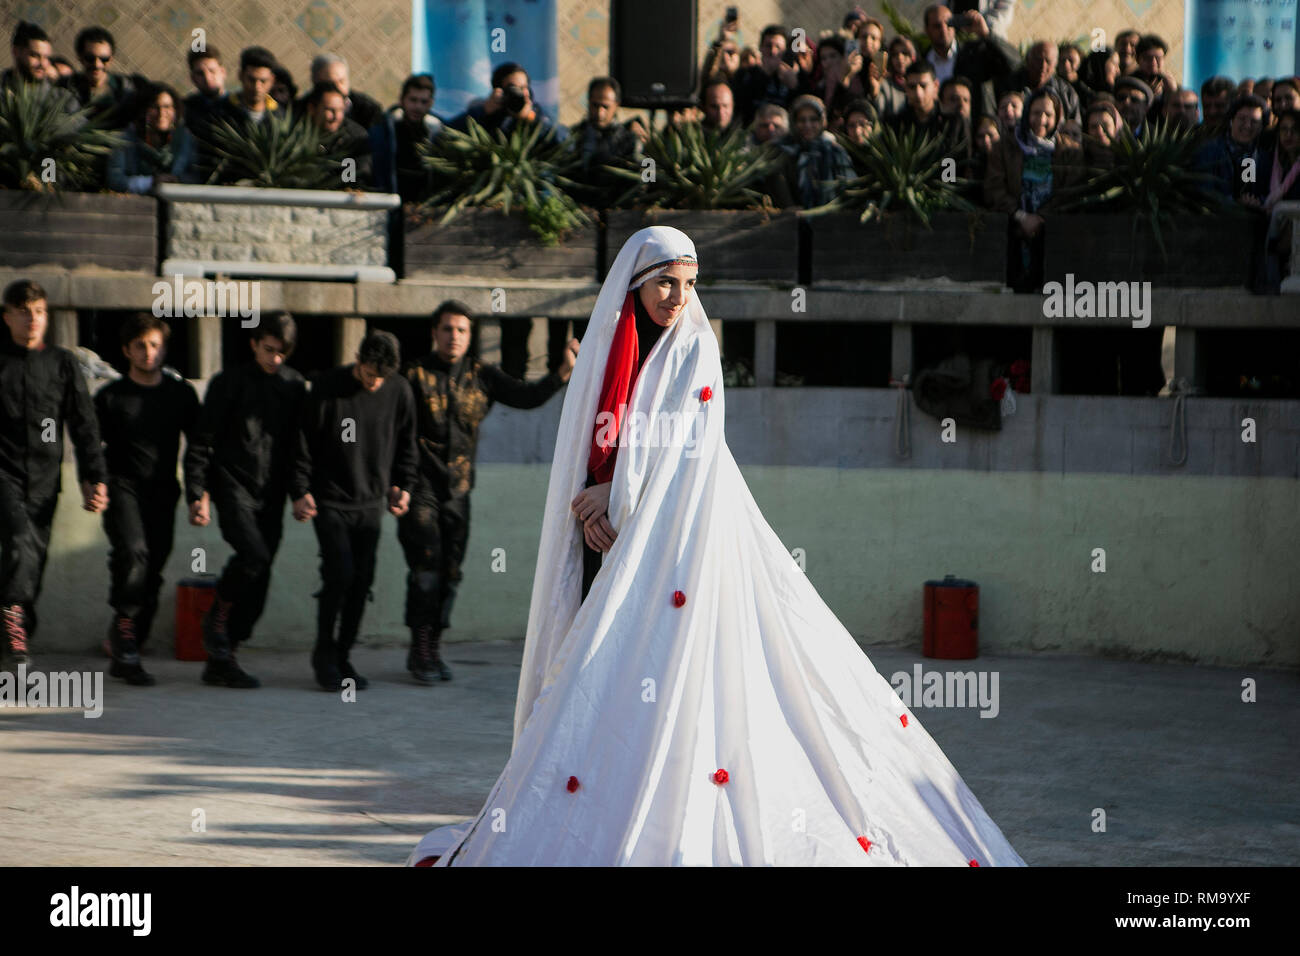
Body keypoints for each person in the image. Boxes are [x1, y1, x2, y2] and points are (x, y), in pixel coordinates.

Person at [407, 226, 1027, 866]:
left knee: (666, 671)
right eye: (665, 284)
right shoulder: (606, 349)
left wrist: (615, 500)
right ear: (637, 285)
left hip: (674, 545)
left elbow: (686, 454)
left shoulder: (695, 350)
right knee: (600, 671)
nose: (678, 298)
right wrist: (593, 497)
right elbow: (594, 437)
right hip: (607, 539)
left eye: (689, 284)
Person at [400, 302, 578, 684]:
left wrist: (561, 373)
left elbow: (526, 397)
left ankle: (434, 644)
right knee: (425, 569)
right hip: (420, 488)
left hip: (459, 490)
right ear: (435, 332)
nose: (454, 337)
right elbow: (392, 431)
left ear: (470, 335)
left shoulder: (481, 374)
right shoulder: (414, 374)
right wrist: (394, 483)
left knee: (450, 572)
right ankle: (420, 649)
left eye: (462, 330)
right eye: (447, 329)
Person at [183, 313, 306, 689]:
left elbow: (300, 447)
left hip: (273, 492)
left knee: (261, 575)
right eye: (269, 350)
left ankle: (224, 657)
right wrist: (197, 492)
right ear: (254, 344)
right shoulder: (229, 383)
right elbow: (201, 441)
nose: (275, 359)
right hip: (232, 485)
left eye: (282, 353)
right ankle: (216, 616)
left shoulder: (294, 386)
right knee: (253, 556)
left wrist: (301, 491)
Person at [292, 331, 417, 691]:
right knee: (340, 575)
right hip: (330, 500)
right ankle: (323, 653)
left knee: (362, 583)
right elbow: (303, 442)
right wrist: (300, 490)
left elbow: (407, 444)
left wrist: (403, 486)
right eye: (367, 375)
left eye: (380, 378)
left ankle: (342, 654)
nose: (373, 383)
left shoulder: (399, 391)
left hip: (371, 503)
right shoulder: (326, 387)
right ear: (357, 360)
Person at [1, 280, 107, 669]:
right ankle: (14, 636)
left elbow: (84, 423)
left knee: (33, 559)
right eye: (24, 311)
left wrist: (93, 476)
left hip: (46, 479)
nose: (33, 319)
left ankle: (15, 628)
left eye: (40, 311)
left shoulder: (61, 363)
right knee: (18, 541)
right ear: (8, 315)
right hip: (4, 473)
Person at [94, 314, 200, 686]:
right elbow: (91, 447)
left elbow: (199, 446)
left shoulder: (180, 394)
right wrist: (94, 483)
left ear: (164, 347)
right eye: (140, 345)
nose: (148, 352)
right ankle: (125, 632)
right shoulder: (110, 397)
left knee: (151, 570)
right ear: (126, 350)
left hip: (163, 492)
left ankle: (126, 643)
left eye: (154, 344)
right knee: (134, 552)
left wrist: (197, 493)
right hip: (122, 488)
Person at [985, 88, 1084, 291]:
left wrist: (1040, 218)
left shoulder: (1070, 151)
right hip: (1013, 229)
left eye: (1048, 114)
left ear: (1058, 118)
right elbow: (994, 188)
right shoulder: (1005, 147)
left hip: (1052, 234)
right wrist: (1021, 216)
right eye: (1036, 112)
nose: (1042, 119)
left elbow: (1071, 192)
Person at [107, 82, 197, 193]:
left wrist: (177, 180)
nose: (161, 113)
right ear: (142, 110)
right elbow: (115, 181)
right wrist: (151, 181)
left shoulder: (185, 139)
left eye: (167, 106)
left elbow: (196, 176)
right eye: (154, 107)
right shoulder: (124, 140)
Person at [447, 62, 566, 142]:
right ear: (499, 91)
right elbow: (446, 134)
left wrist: (531, 118)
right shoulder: (485, 111)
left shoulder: (536, 113)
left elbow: (564, 140)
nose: (520, 93)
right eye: (513, 88)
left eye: (524, 87)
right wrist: (483, 112)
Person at [370, 73, 443, 202]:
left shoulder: (437, 133)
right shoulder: (384, 131)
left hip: (423, 207)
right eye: (413, 100)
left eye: (424, 102)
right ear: (402, 100)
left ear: (431, 103)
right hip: (390, 203)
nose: (418, 106)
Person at [1194, 94, 1267, 203]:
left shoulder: (1263, 157)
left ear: (1261, 127)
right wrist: (1234, 203)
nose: (1247, 125)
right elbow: (1203, 191)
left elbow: (1267, 193)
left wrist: (1257, 201)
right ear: (1231, 120)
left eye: (1254, 121)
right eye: (1242, 119)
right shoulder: (1209, 151)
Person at [304, 80, 373, 187]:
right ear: (312, 109)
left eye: (340, 110)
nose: (336, 117)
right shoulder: (297, 136)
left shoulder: (355, 139)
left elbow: (358, 181)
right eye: (330, 110)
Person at [732, 24, 800, 127]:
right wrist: (765, 75)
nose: (773, 51)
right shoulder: (746, 74)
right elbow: (741, 106)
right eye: (768, 46)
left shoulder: (791, 76)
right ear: (760, 48)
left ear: (785, 50)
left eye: (778, 47)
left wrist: (794, 86)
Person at [297, 54, 383, 132]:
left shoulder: (368, 110)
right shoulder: (298, 111)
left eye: (341, 81)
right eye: (331, 83)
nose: (338, 88)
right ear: (315, 82)